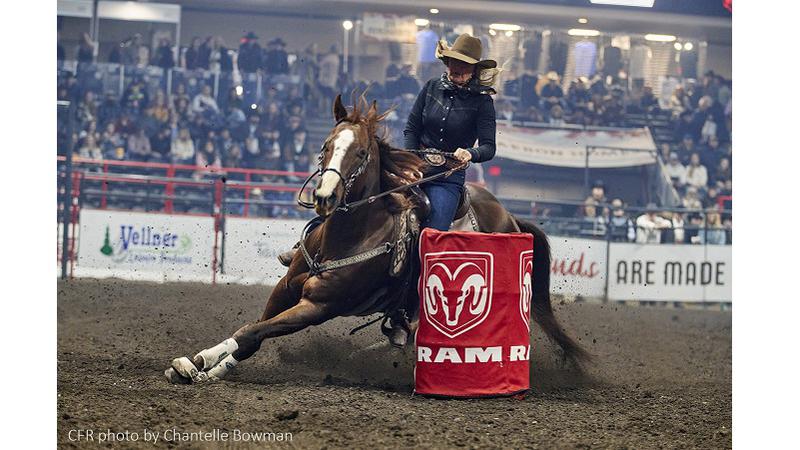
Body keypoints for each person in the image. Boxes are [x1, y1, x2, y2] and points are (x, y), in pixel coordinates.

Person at [403, 33, 498, 231]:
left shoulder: (483, 101)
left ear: (474, 70)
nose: (458, 68)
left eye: (464, 65)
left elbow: (489, 148)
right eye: (455, 62)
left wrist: (470, 153)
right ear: (448, 62)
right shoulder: (431, 87)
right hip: (415, 168)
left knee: (433, 232)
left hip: (446, 179)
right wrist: (411, 162)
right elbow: (412, 129)